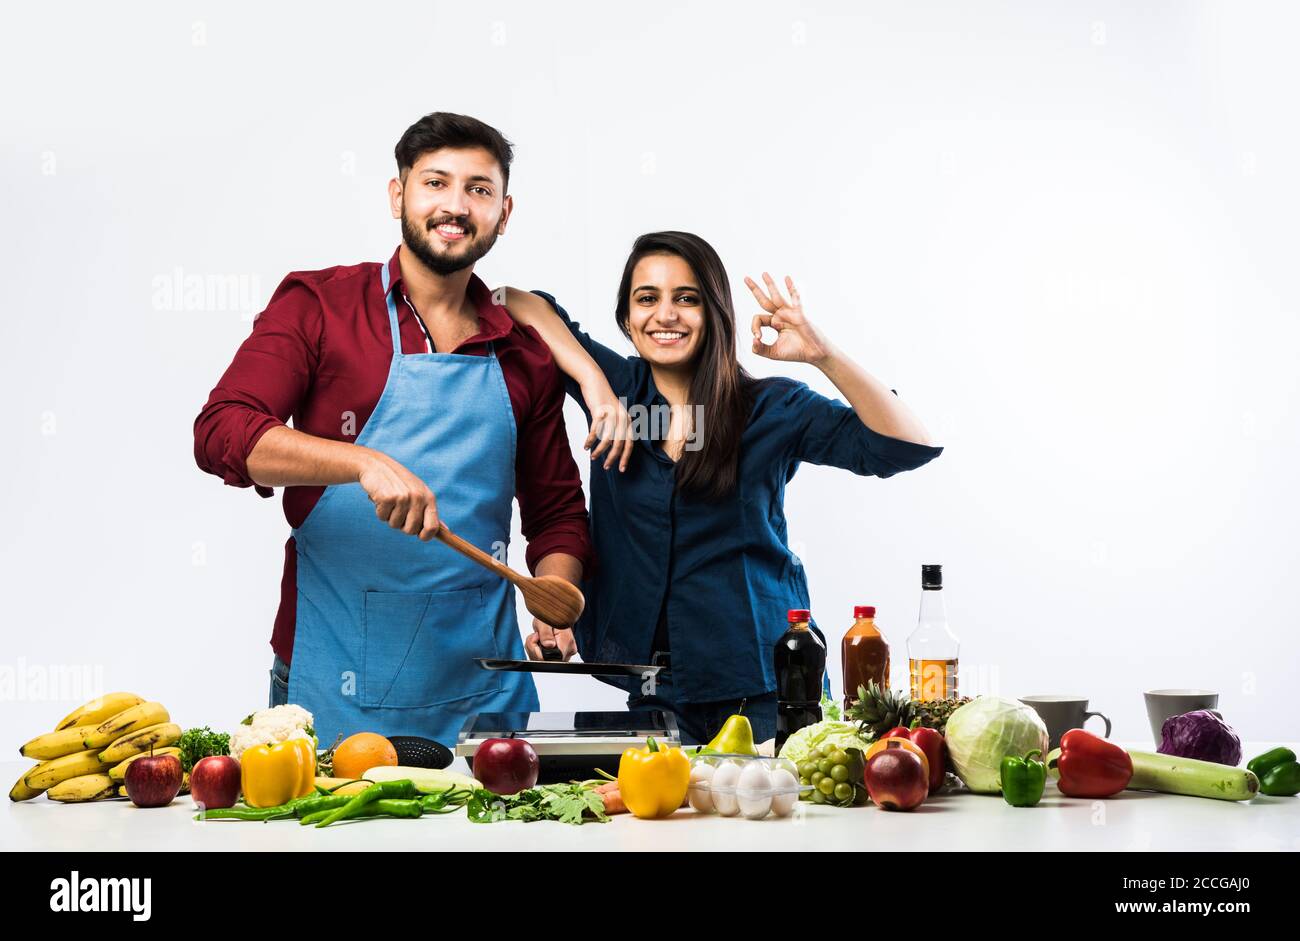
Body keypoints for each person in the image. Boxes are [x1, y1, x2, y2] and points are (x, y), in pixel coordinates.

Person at [193, 113, 592, 747]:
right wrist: (359, 462)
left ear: (504, 212)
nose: (455, 206)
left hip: (487, 698)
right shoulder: (319, 306)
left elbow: (558, 514)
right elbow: (223, 432)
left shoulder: (524, 353)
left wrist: (556, 594)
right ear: (397, 194)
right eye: (435, 182)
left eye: (478, 190)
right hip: (333, 683)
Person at [502, 231, 943, 745]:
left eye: (686, 299)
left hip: (766, 685)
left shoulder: (769, 407)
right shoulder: (618, 393)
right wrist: (593, 384)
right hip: (656, 690)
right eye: (647, 298)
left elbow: (907, 446)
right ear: (626, 318)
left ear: (714, 313)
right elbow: (511, 300)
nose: (665, 314)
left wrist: (823, 355)